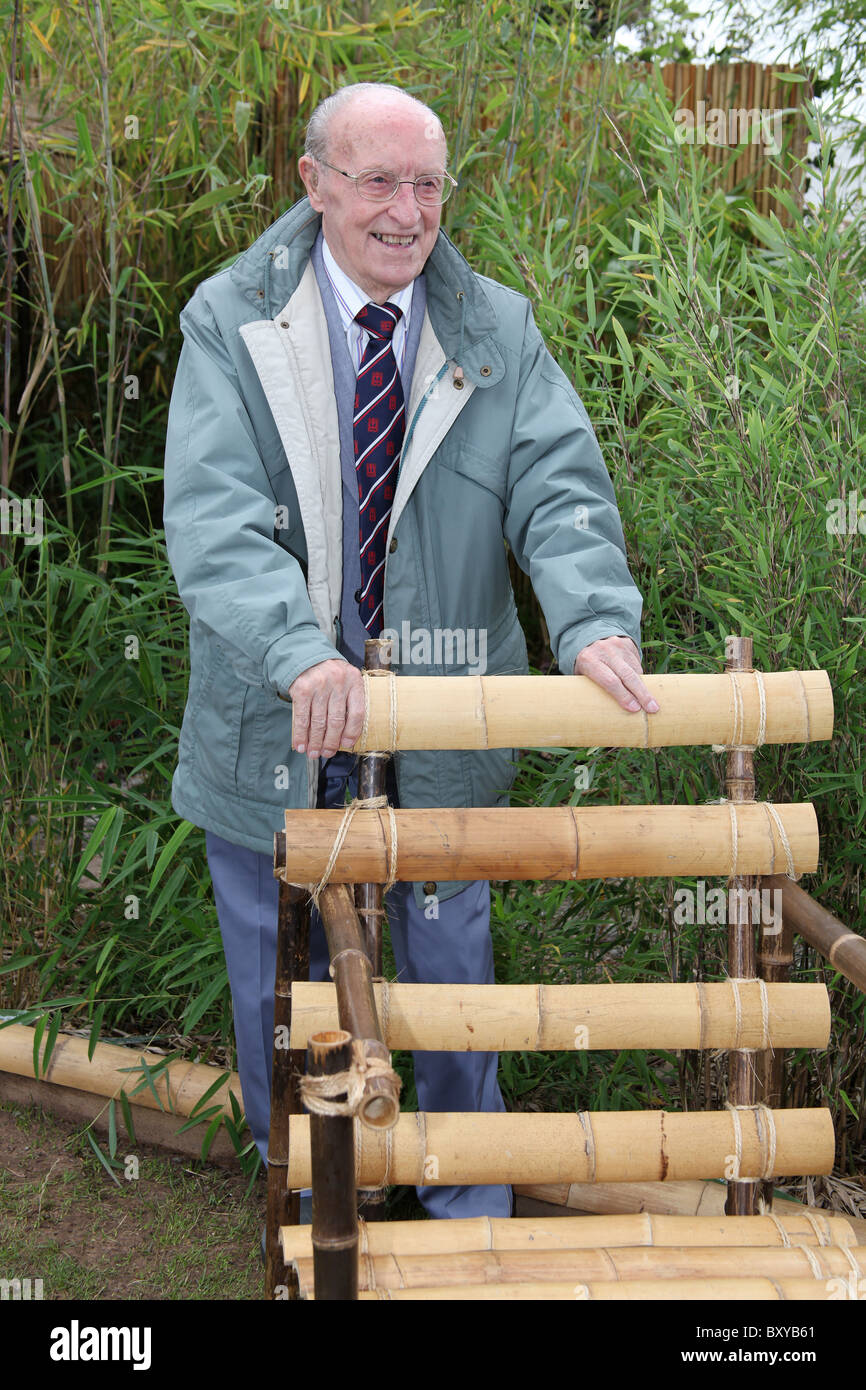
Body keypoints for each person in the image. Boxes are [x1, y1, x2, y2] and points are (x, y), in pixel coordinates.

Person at [162, 81, 658, 1222]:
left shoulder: (494, 325)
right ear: (314, 183)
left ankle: (463, 1208)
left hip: (444, 724)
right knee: (277, 992)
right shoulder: (229, 319)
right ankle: (306, 1199)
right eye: (376, 180)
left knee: (451, 980)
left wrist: (590, 617)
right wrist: (300, 653)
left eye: (426, 182)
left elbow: (561, 486)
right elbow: (213, 517)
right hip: (277, 716)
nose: (405, 210)